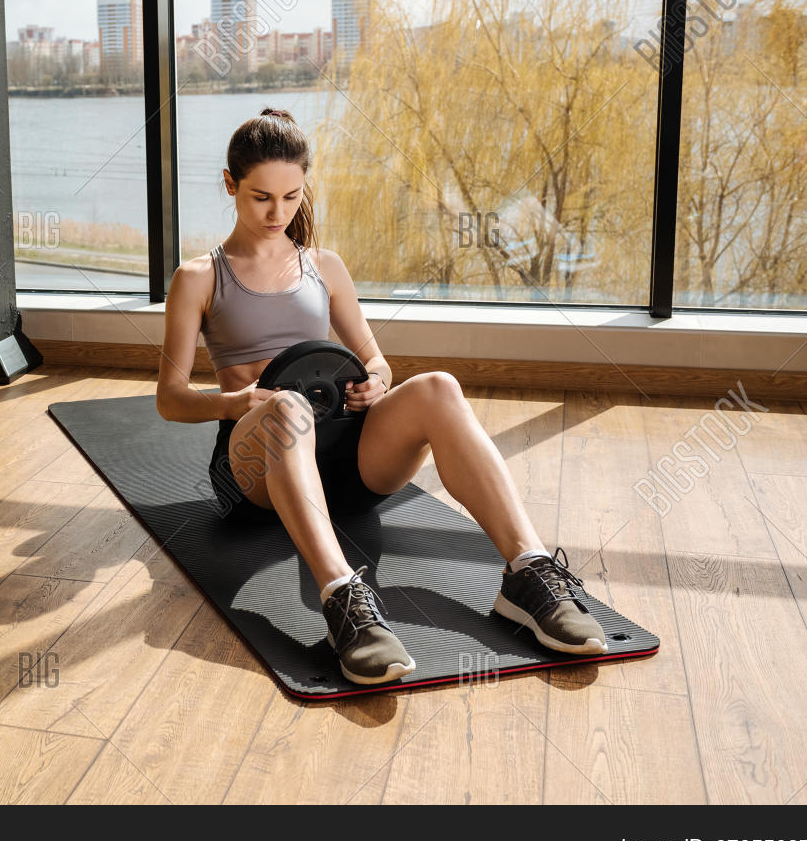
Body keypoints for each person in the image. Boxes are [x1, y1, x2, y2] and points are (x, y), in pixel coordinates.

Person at [155, 108, 608, 685]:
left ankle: (527, 571)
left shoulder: (324, 266)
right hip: (253, 471)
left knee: (439, 387)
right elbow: (171, 399)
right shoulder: (198, 276)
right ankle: (346, 602)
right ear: (229, 185)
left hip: (348, 457)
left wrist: (376, 380)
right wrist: (236, 402)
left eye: (292, 196)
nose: (278, 213)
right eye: (260, 197)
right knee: (285, 408)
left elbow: (376, 359)